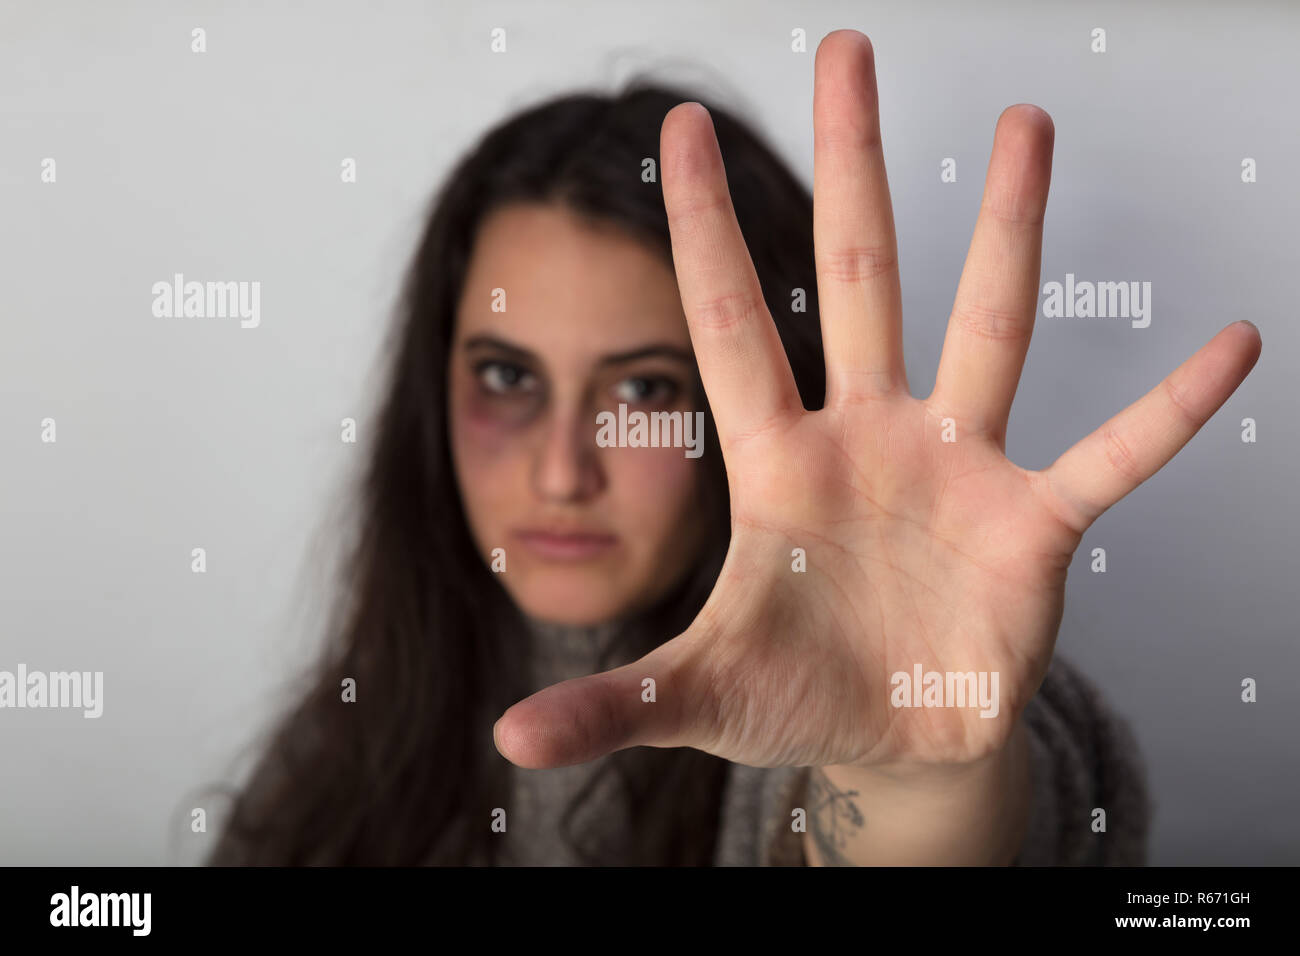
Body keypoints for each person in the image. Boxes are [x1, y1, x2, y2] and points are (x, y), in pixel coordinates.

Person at [205, 30, 1260, 866]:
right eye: (508, 377)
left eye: (646, 388)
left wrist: (917, 775)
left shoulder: (800, 696)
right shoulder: (349, 740)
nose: (561, 470)